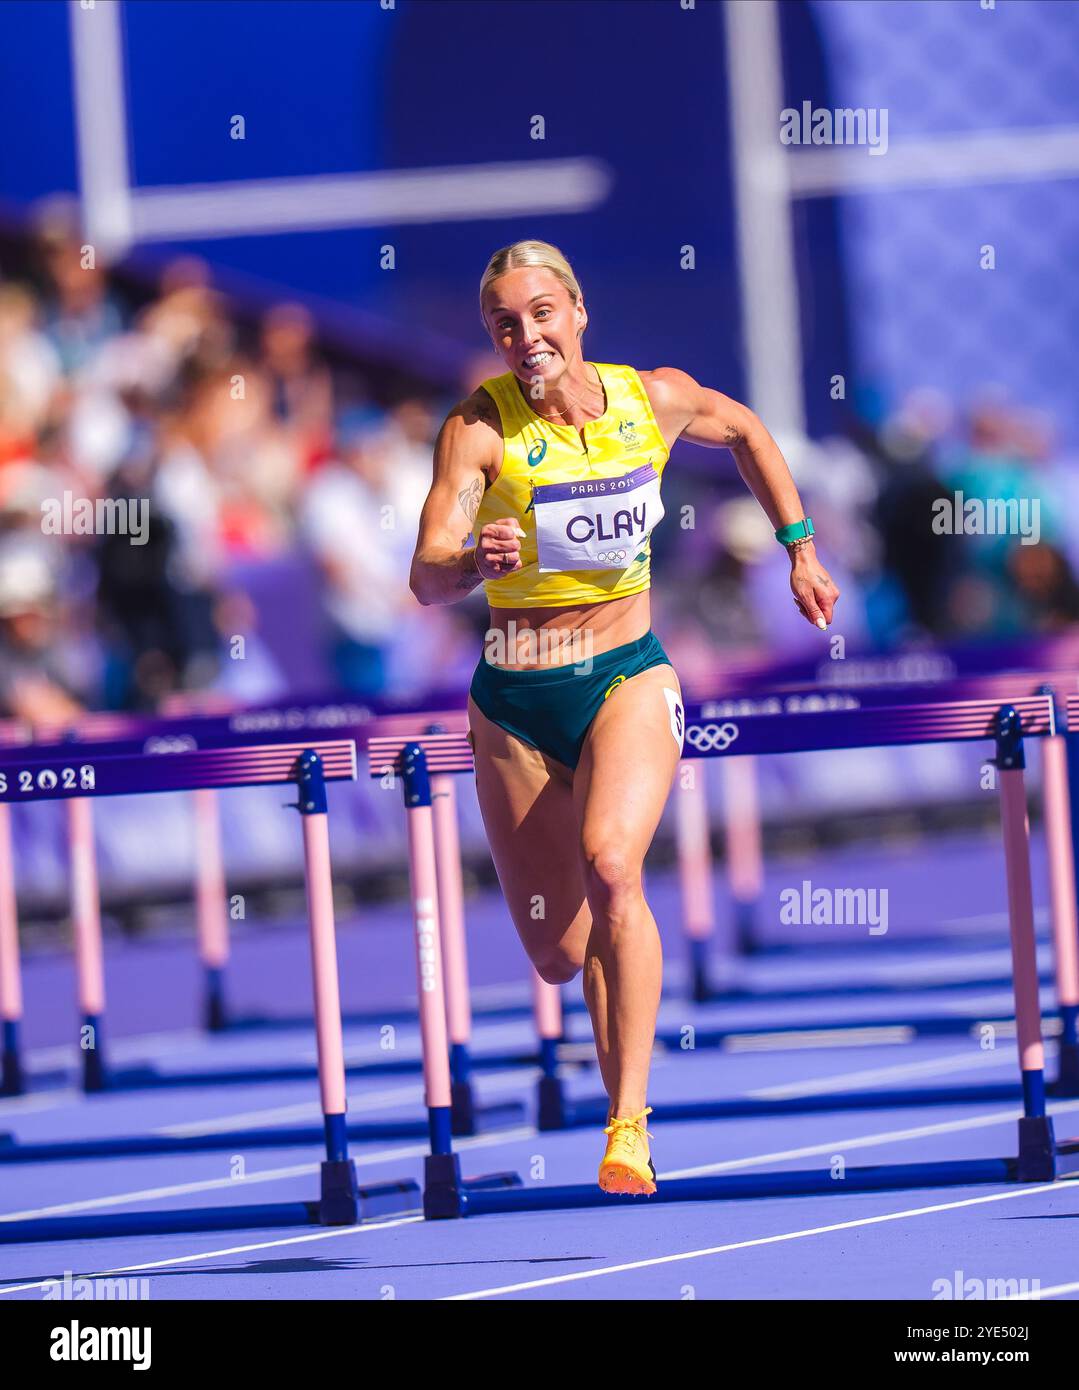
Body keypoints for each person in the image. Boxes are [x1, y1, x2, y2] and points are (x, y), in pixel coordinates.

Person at [409, 240, 839, 1195]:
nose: (526, 338)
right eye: (504, 325)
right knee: (560, 954)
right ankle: (617, 1101)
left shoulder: (653, 398)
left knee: (614, 865)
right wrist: (470, 562)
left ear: (578, 311)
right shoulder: (478, 430)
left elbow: (749, 434)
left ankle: (629, 1121)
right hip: (517, 698)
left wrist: (798, 548)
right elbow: (424, 574)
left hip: (626, 677)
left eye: (541, 314)